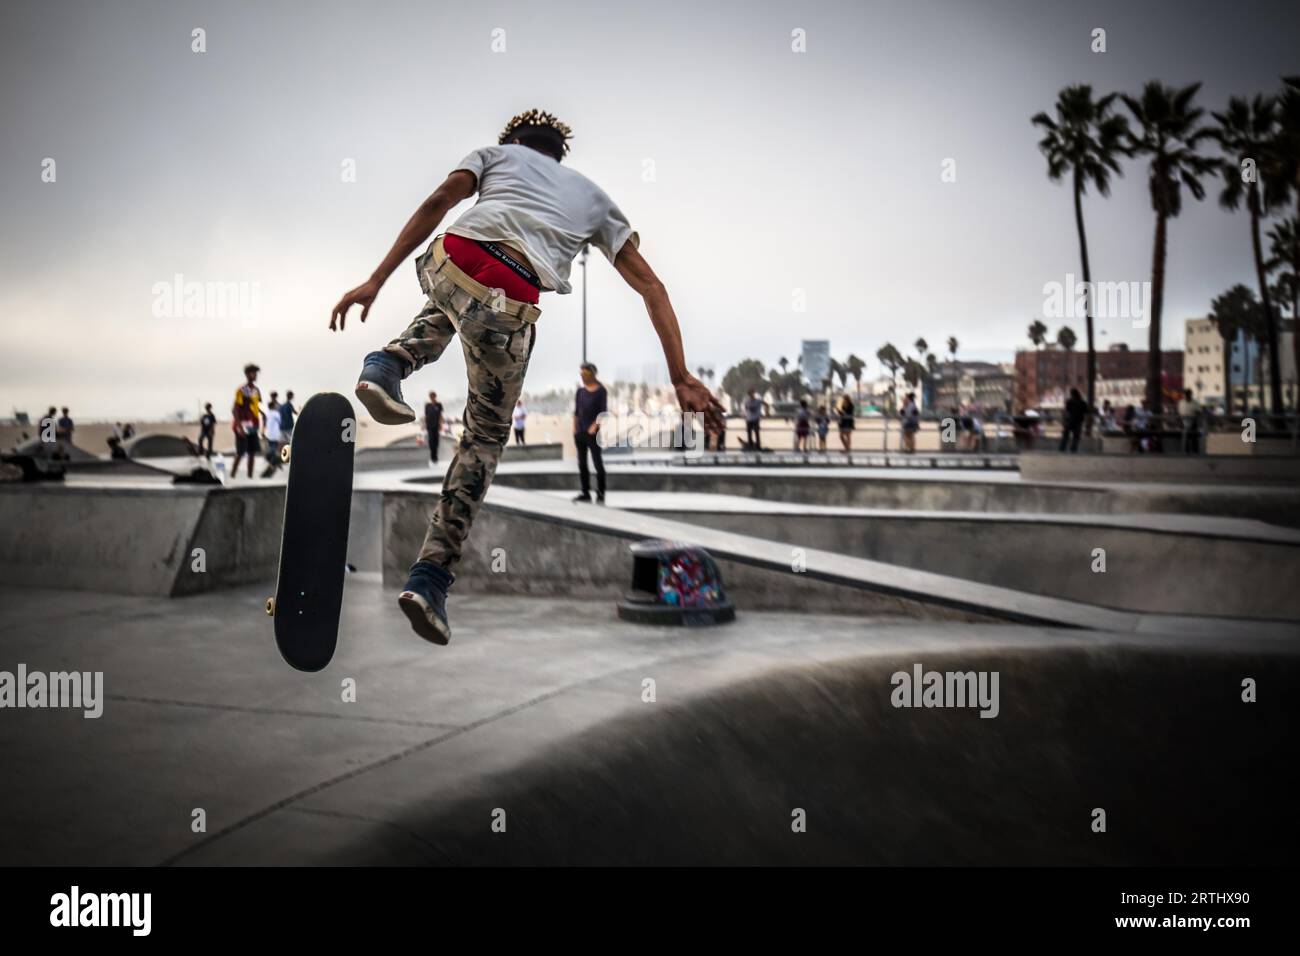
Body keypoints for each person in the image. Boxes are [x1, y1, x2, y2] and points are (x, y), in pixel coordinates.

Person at [331, 109, 721, 646]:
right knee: (485, 437)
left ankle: (389, 364)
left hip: (449, 258)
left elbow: (436, 204)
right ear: (559, 155)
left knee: (457, 296)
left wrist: (375, 280)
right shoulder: (592, 196)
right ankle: (431, 575)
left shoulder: (492, 157)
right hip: (509, 301)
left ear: (514, 142)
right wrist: (679, 375)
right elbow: (653, 288)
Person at [573, 363, 608, 502]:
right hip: (580, 433)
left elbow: (603, 412)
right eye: (581, 374)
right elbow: (576, 412)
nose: (582, 376)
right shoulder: (580, 392)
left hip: (593, 434)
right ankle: (585, 492)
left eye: (585, 374)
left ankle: (601, 492)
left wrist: (594, 426)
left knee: (597, 463)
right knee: (582, 464)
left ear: (592, 374)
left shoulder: (601, 391)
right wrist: (574, 428)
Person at [229, 363, 265, 479]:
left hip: (253, 425)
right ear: (247, 374)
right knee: (240, 453)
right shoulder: (242, 390)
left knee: (252, 452)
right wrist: (239, 427)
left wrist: (262, 414)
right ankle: (232, 476)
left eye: (255, 373)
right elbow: (235, 409)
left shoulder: (256, 390)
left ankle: (250, 477)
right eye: (252, 373)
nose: (254, 375)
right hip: (242, 426)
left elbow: (253, 406)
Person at [1059, 387, 1088, 453]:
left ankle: (1062, 448)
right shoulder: (1082, 402)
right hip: (1078, 422)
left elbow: (1066, 412)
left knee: (1065, 436)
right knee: (1076, 437)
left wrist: (1064, 420)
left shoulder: (1069, 401)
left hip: (1070, 421)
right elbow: (1086, 411)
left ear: (1072, 394)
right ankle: (1073, 449)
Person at [262, 393, 283, 476]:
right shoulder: (276, 413)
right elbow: (280, 422)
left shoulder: (267, 413)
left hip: (269, 434)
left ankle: (273, 463)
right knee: (273, 449)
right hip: (275, 434)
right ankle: (273, 461)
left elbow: (265, 421)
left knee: (272, 447)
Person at [1178, 388, 1201, 455]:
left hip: (1193, 423)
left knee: (1194, 438)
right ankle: (1186, 452)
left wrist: (1194, 415)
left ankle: (1196, 452)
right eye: (1185, 394)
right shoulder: (1181, 402)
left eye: (1188, 394)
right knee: (1185, 438)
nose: (1186, 396)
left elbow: (1199, 412)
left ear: (1190, 394)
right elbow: (1180, 413)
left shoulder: (1195, 403)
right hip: (1184, 423)